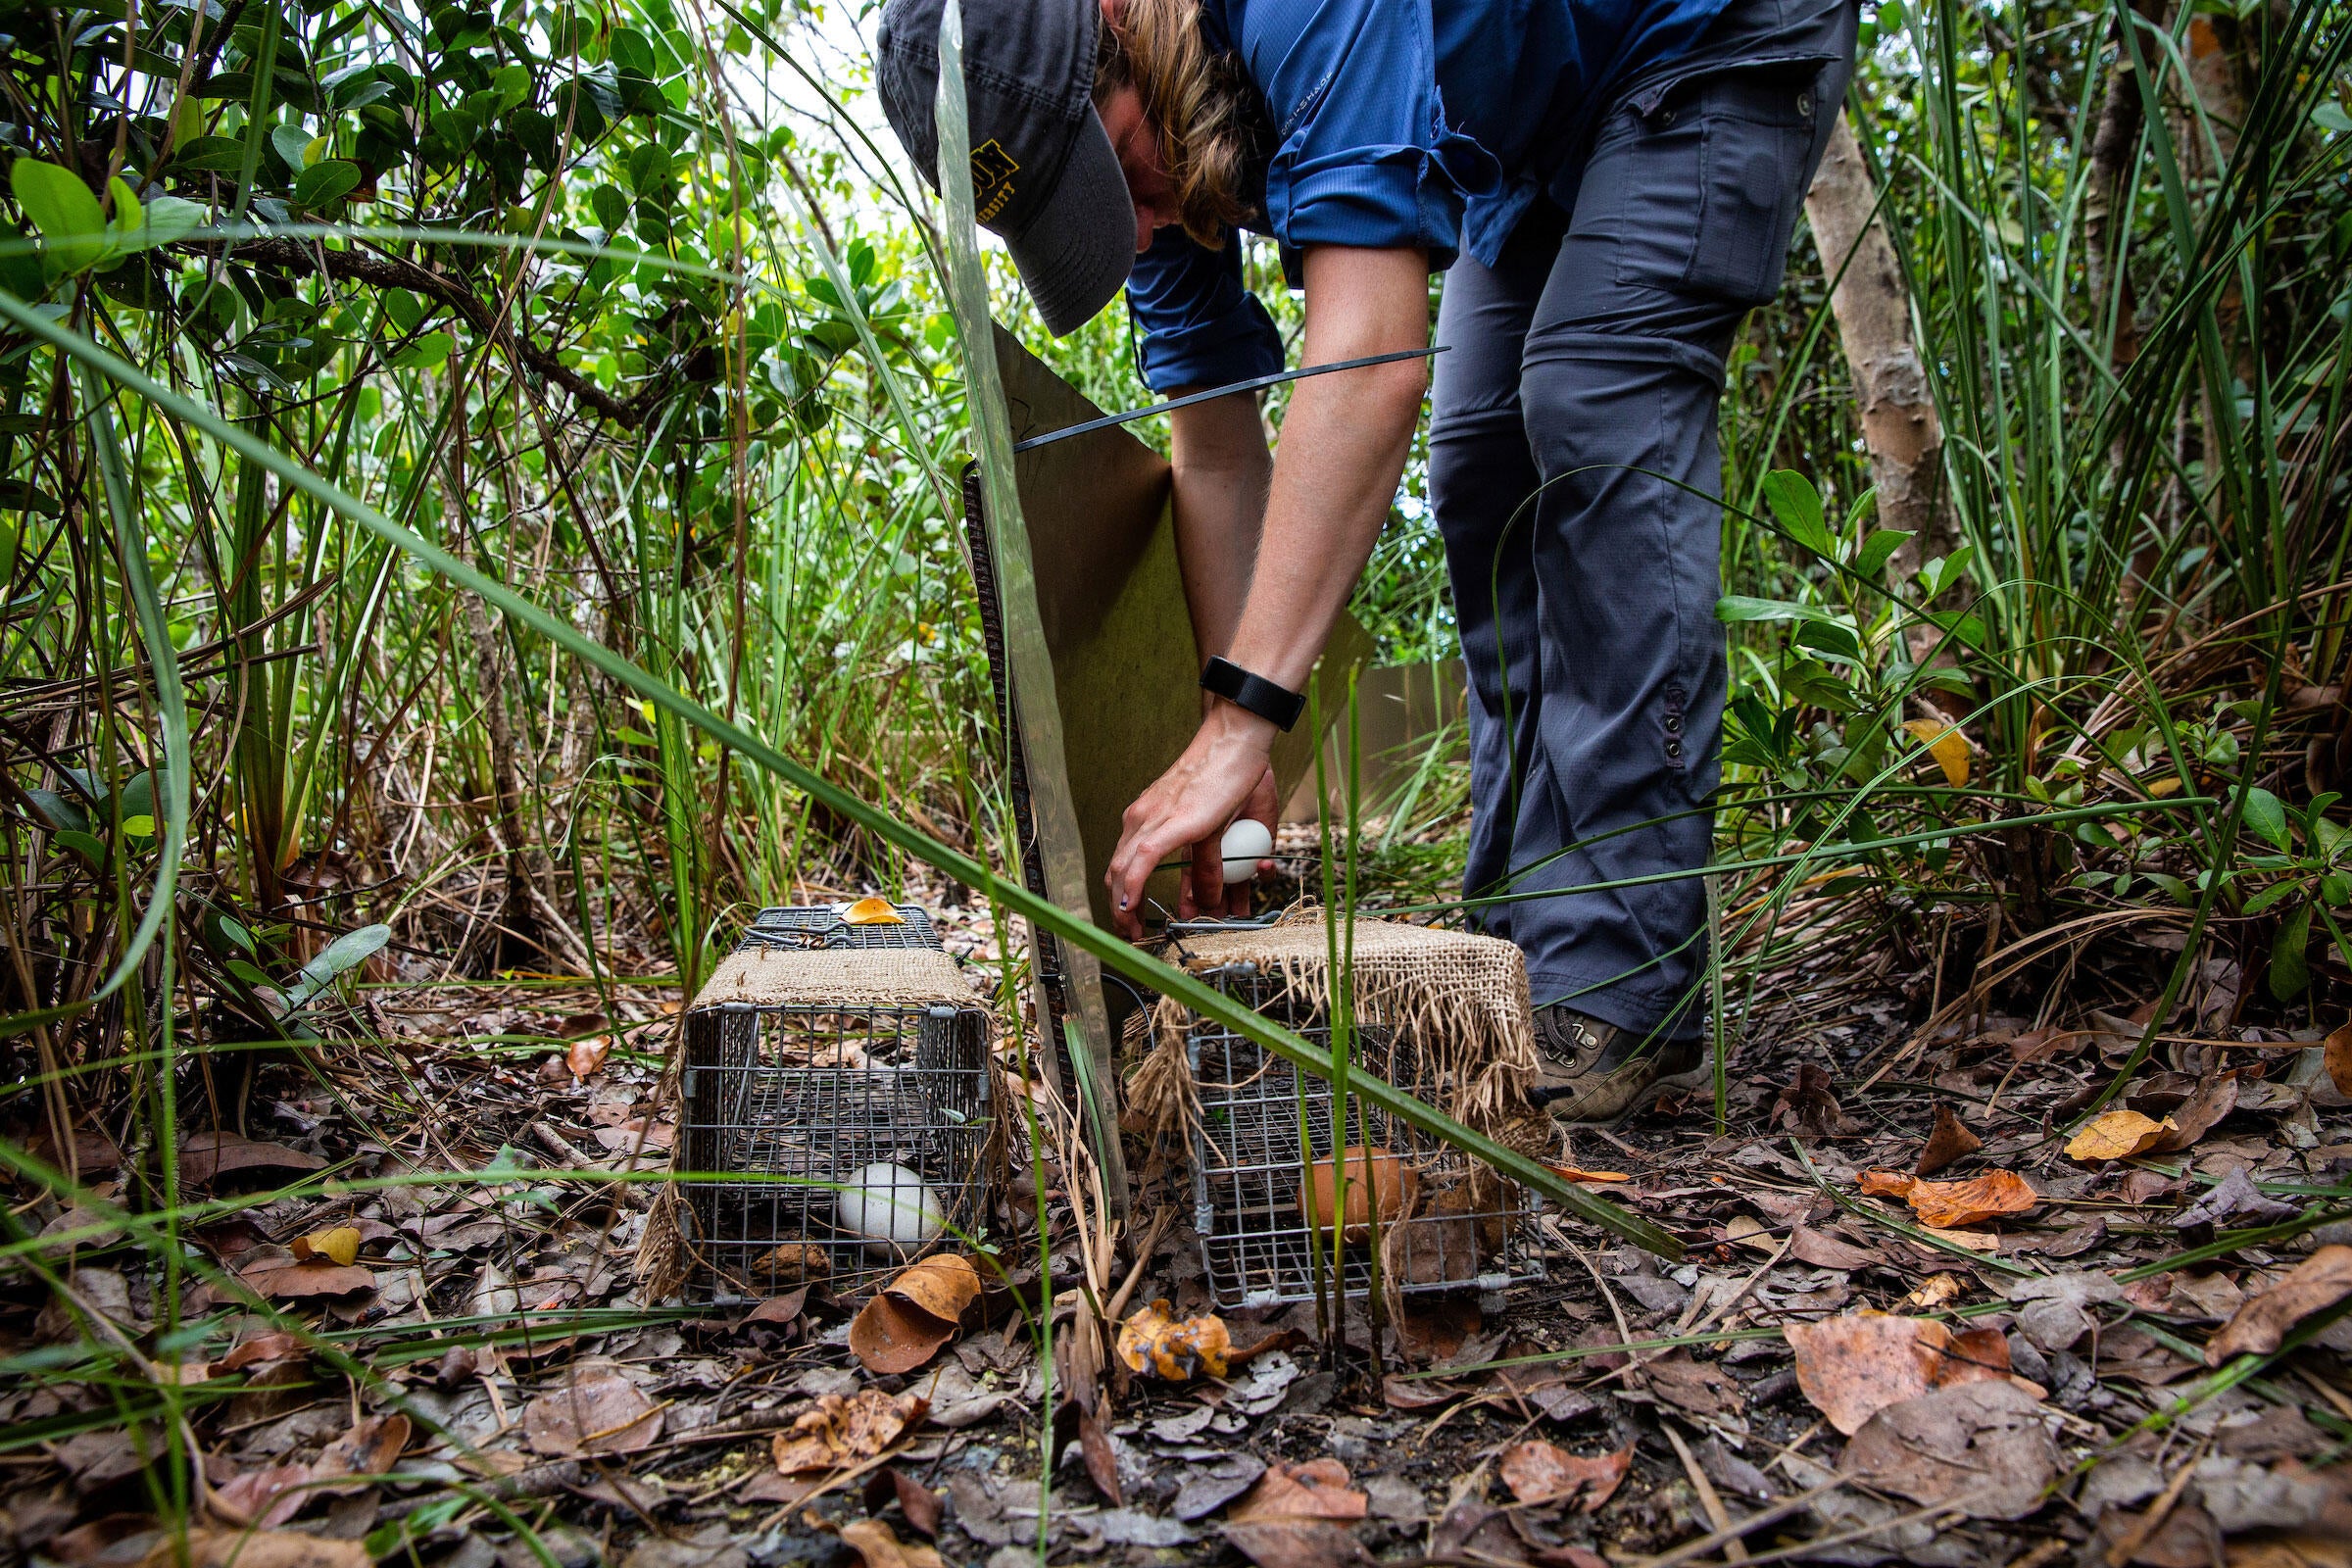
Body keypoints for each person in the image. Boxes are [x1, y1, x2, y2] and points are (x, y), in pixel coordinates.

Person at [875, 0, 1856, 1122]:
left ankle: (1623, 977)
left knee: (1592, 398)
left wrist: (1244, 719)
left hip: (1695, 39)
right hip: (1525, 135)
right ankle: (1521, 944)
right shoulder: (1161, 166)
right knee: (1481, 458)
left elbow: (1373, 357)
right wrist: (1235, 731)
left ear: (1120, 24)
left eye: (1115, 181)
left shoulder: (1294, 13)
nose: (1136, 233)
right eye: (1086, 215)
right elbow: (1216, 450)